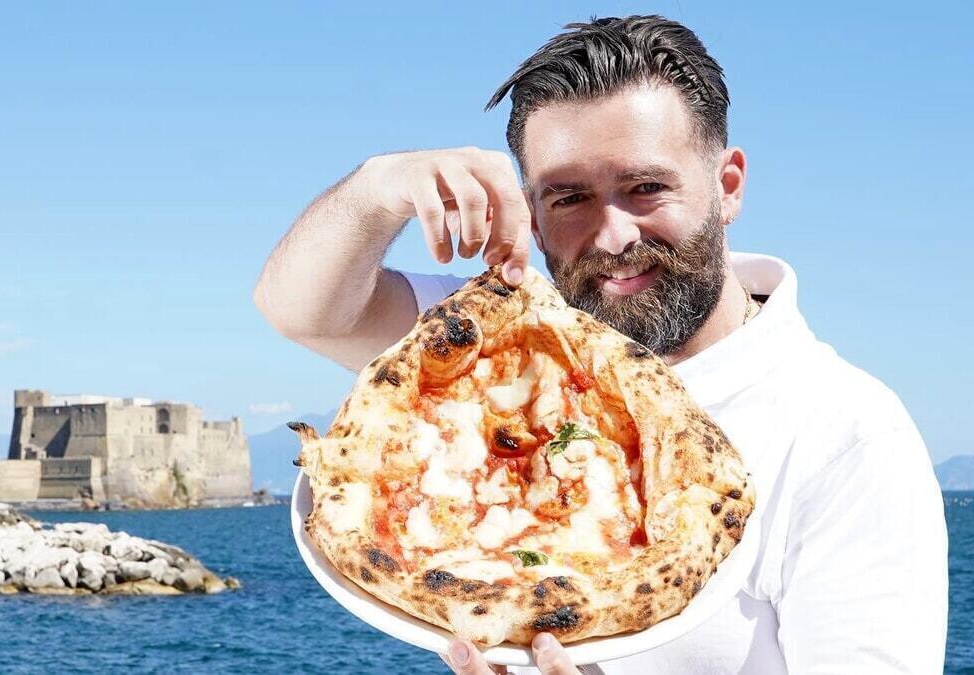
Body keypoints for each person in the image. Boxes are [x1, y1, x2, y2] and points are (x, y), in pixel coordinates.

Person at [253, 15, 948, 674]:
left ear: (727, 187)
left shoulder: (846, 432)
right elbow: (301, 308)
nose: (614, 236)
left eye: (645, 188)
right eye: (569, 198)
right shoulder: (494, 352)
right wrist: (380, 188)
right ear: (531, 215)